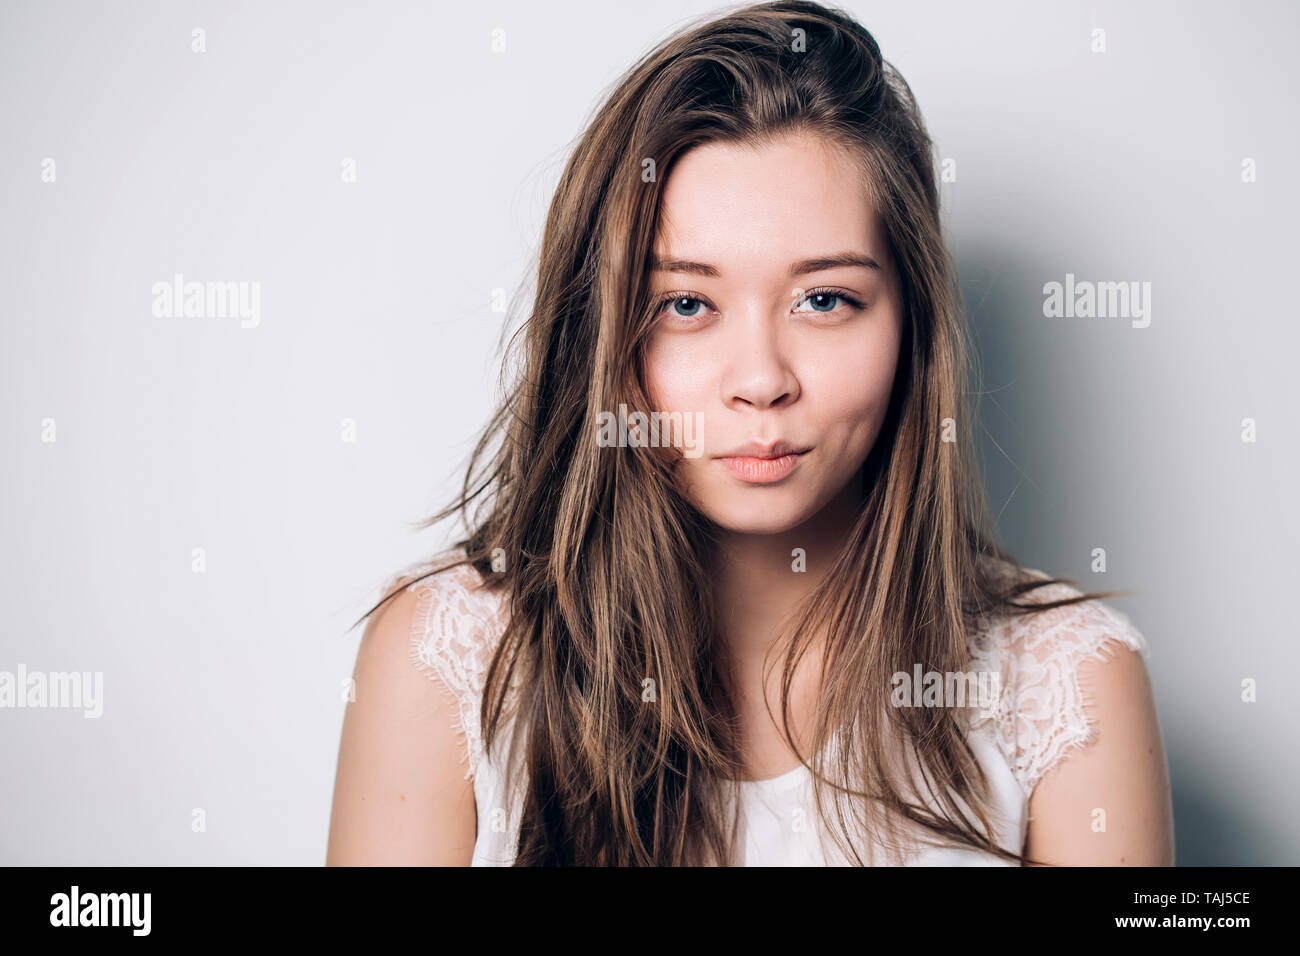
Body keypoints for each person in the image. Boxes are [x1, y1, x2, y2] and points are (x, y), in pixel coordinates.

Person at [326, 0, 1174, 866]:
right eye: (687, 304)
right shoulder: (448, 661)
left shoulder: (1065, 682)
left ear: (912, 326)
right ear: (601, 334)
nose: (763, 379)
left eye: (825, 300)